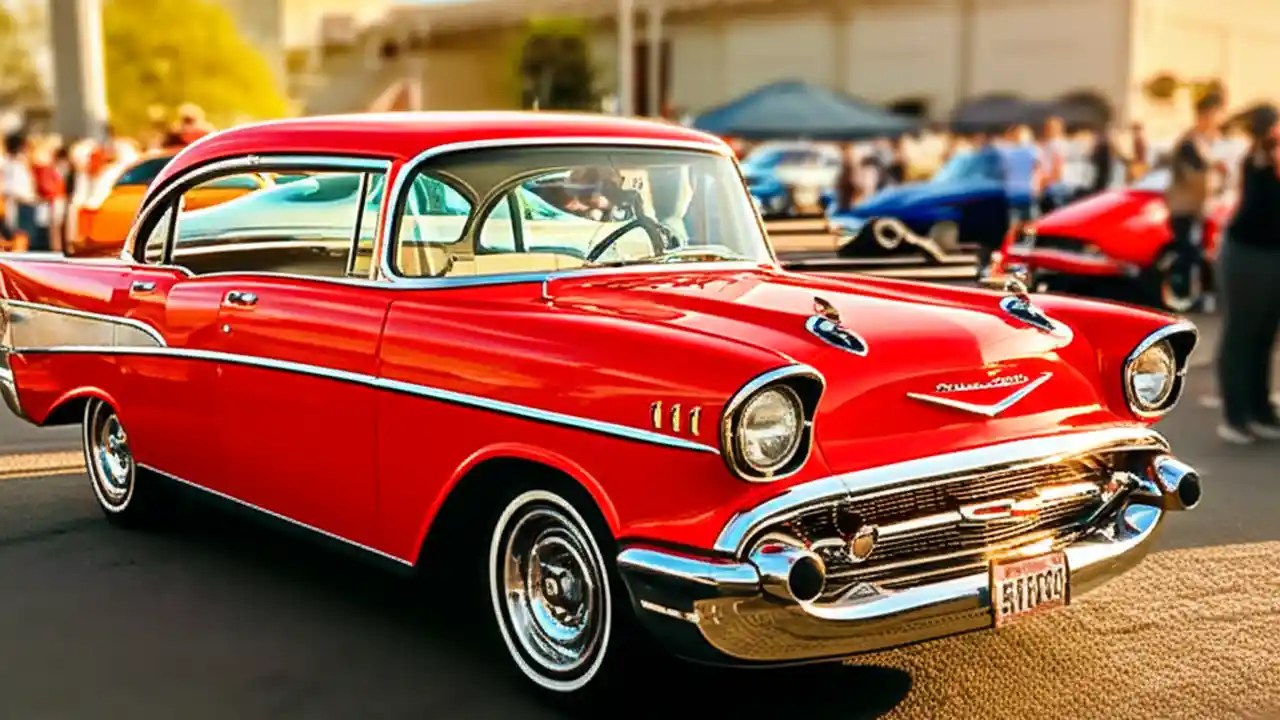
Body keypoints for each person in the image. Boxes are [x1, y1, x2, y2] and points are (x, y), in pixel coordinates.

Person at [1215, 104, 1280, 444]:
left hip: (1272, 254)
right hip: (1246, 256)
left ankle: (1260, 410)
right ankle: (1235, 415)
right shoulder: (1258, 160)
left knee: (1264, 335)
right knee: (1242, 333)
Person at [1165, 92, 1227, 301]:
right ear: (1205, 116)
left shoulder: (1201, 141)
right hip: (1187, 206)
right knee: (1188, 252)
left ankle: (1194, 294)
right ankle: (1183, 295)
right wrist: (1216, 173)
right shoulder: (1189, 143)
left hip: (1195, 206)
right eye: (1216, 115)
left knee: (1195, 251)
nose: (1218, 121)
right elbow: (1194, 177)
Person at [1, 133, 38, 252]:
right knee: (20, 235)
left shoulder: (11, 163)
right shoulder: (15, 163)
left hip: (18, 202)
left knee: (20, 235)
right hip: (20, 203)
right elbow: (16, 187)